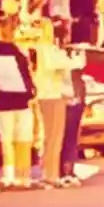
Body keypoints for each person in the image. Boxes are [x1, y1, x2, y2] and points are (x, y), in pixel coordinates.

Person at [0, 8, 40, 190]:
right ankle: (23, 177)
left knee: (7, 141)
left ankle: (8, 176)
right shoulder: (18, 53)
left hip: (3, 102)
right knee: (24, 140)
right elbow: (28, 77)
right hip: (22, 101)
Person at [32, 18, 81, 187]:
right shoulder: (47, 49)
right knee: (54, 137)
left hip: (46, 95)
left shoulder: (40, 49)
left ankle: (49, 173)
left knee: (49, 137)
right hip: (52, 95)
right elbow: (65, 64)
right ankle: (50, 175)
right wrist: (79, 57)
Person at [57, 22, 86, 187]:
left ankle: (65, 170)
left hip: (65, 98)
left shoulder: (66, 54)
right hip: (70, 99)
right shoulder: (71, 57)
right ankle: (66, 170)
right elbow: (77, 74)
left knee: (64, 137)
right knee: (69, 138)